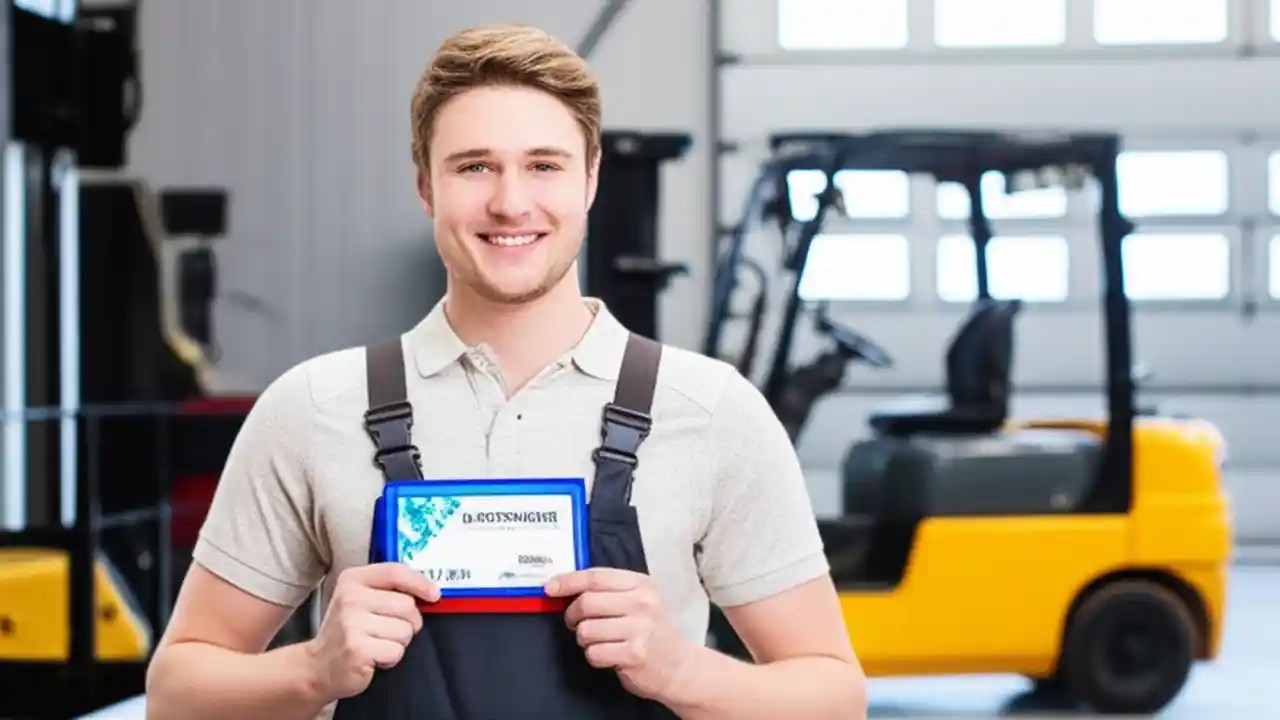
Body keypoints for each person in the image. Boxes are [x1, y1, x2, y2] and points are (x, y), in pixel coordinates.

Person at [144, 22, 867, 720]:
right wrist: (311, 668)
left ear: (589, 180)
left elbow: (834, 699)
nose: (510, 202)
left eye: (543, 165)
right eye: (474, 166)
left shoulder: (711, 410)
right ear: (426, 186)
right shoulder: (312, 408)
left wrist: (683, 670)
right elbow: (177, 695)